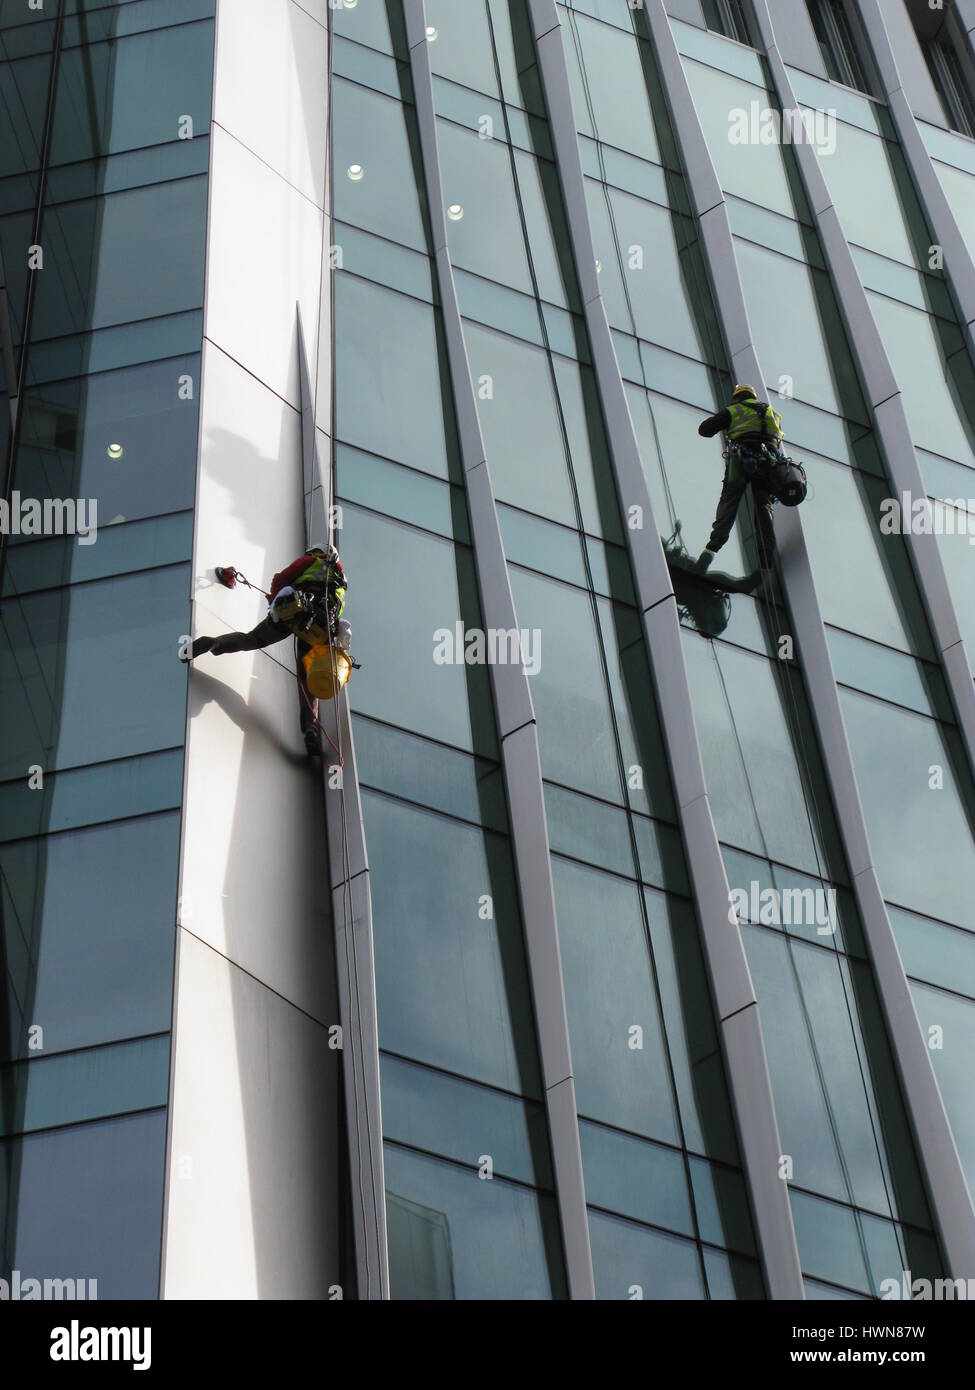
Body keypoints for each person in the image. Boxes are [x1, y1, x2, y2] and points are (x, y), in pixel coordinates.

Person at [185, 544, 348, 757]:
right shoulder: (341, 582)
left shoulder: (310, 562)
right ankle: (311, 730)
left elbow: (280, 579)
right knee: (306, 678)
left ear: (318, 553)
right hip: (318, 628)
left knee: (253, 639)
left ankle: (213, 643)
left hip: (292, 611)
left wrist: (274, 600)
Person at [695, 384, 785, 574]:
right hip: (769, 465)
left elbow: (704, 429)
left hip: (743, 459)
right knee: (764, 506)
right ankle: (766, 556)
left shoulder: (734, 410)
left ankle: (713, 546)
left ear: (737, 398)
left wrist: (726, 423)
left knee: (730, 499)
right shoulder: (773, 413)